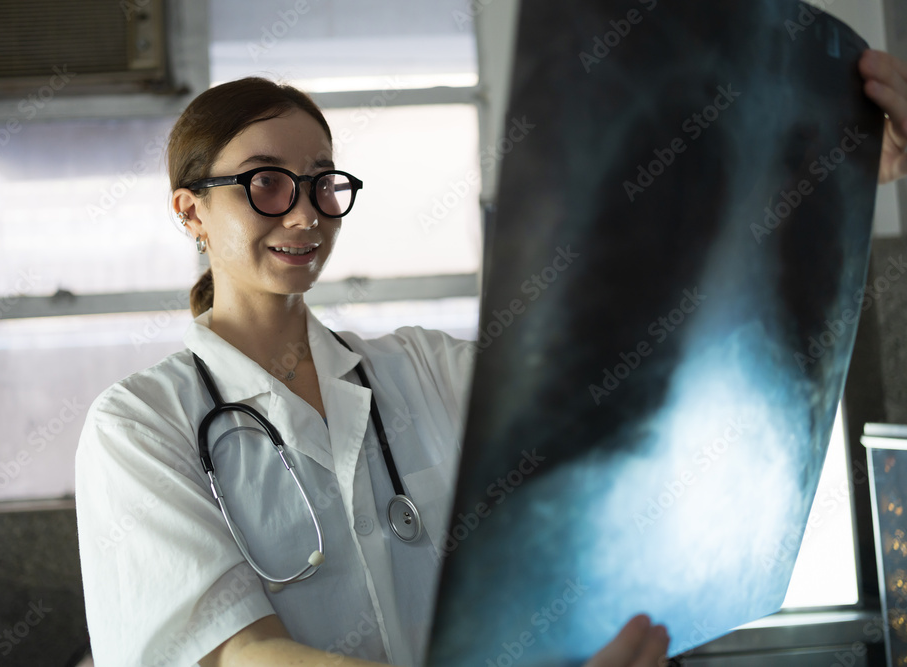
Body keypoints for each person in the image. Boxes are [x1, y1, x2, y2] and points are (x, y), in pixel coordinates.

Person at [74, 47, 907, 667]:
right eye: (265, 182)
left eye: (323, 182)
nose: (305, 213)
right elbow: (243, 657)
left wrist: (821, 174)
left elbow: (629, 349)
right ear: (191, 210)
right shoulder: (141, 426)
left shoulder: (420, 371)